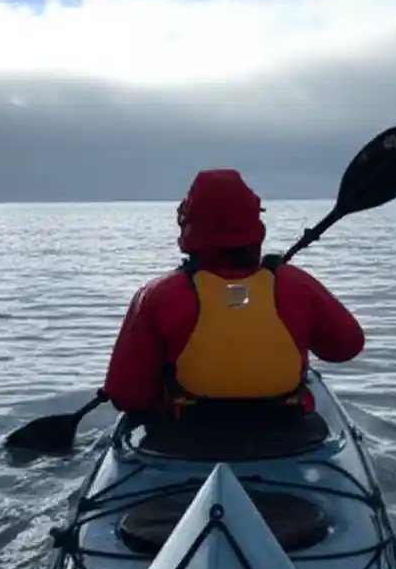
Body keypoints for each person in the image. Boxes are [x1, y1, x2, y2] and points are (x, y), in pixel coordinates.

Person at [102, 168, 365, 424]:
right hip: (287, 433)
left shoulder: (158, 295)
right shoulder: (294, 284)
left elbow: (127, 395)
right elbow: (346, 347)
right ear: (255, 228)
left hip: (185, 437)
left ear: (188, 227)